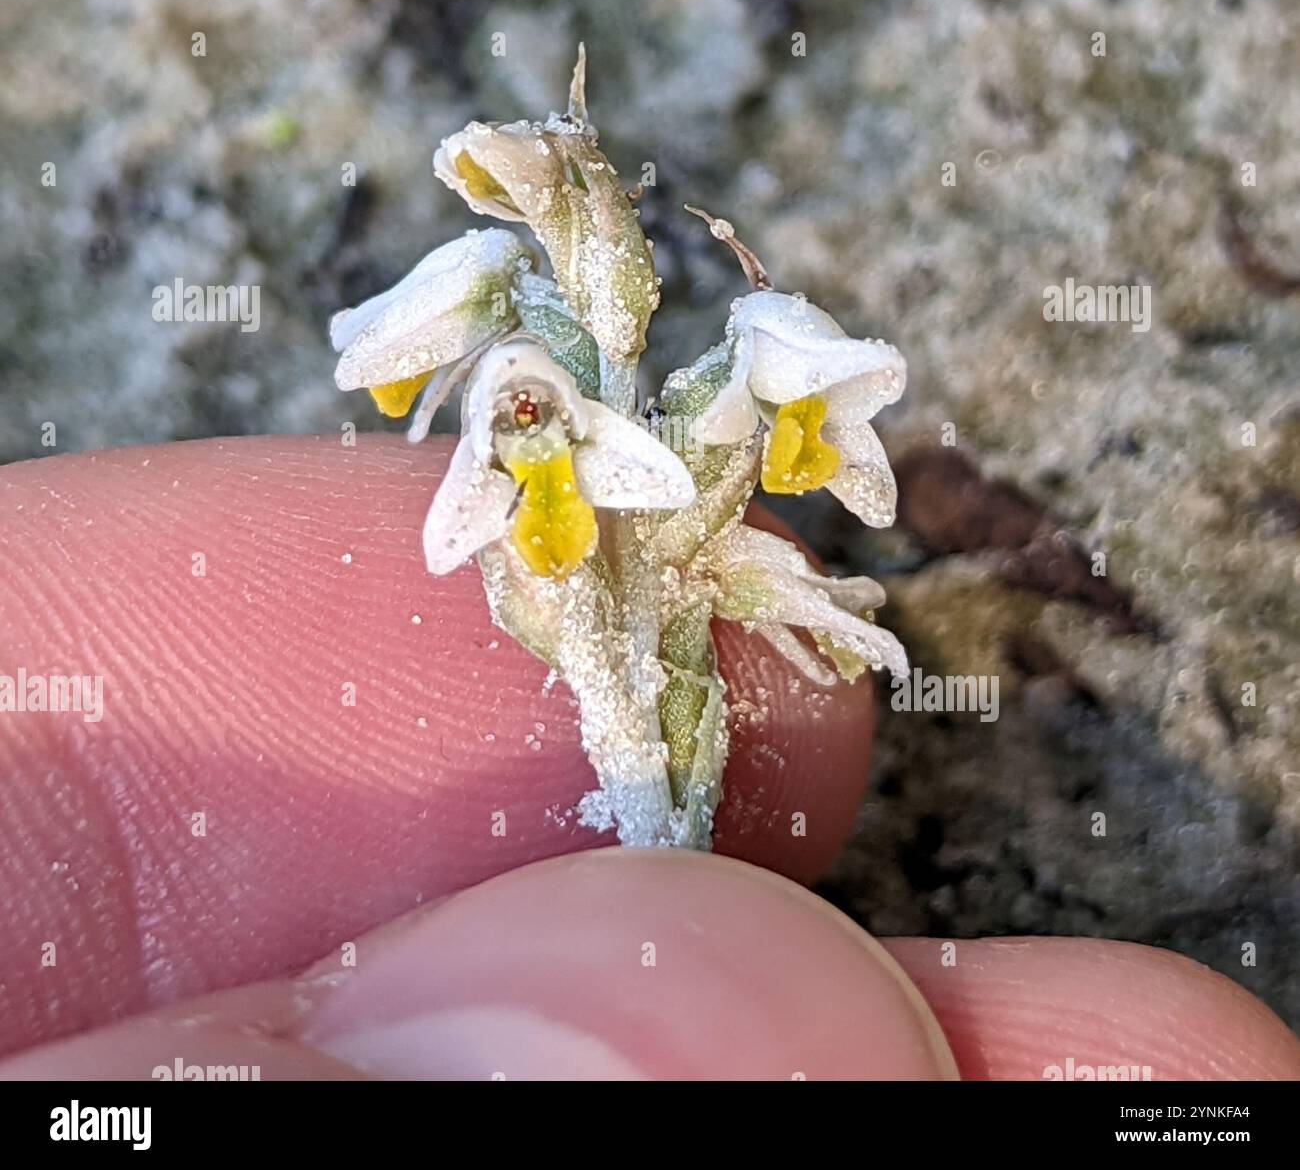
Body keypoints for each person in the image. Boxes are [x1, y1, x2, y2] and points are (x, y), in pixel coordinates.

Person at [0, 436, 1295, 1080]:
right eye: (507, 421)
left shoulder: (624, 470)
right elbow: (472, 523)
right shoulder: (530, 475)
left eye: (532, 422)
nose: (521, 431)